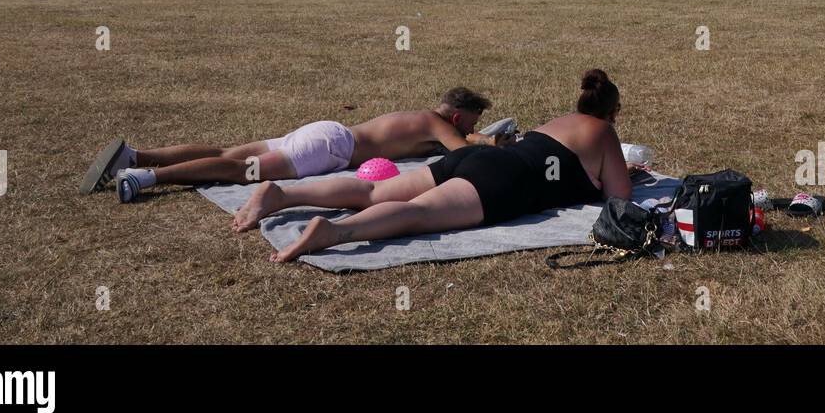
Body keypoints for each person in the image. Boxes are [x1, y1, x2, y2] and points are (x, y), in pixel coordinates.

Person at [234, 69, 633, 263]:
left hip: (477, 158)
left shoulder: (559, 122)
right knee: (417, 214)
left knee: (371, 191)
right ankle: (334, 232)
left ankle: (282, 194)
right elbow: (619, 198)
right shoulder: (603, 132)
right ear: (611, 112)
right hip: (504, 181)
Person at [78, 88, 503, 202]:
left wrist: (481, 135)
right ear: (457, 116)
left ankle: (136, 155)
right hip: (328, 150)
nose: (469, 128)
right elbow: (462, 152)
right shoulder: (436, 124)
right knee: (238, 171)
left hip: (326, 131)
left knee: (229, 153)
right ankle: (145, 177)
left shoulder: (421, 120)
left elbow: (448, 142)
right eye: (471, 122)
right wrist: (488, 142)